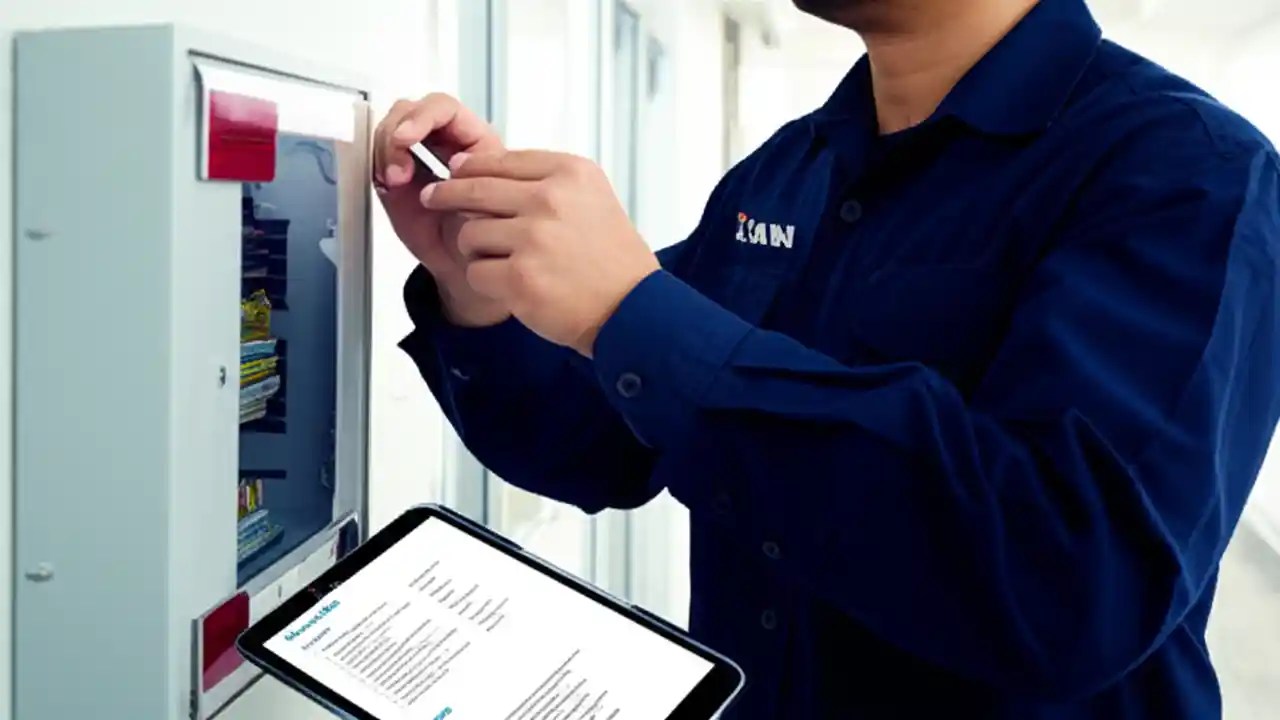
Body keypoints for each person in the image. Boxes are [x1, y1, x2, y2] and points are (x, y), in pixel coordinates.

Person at [373, 0, 1280, 716]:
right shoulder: (789, 170)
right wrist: (482, 293)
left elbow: (1076, 583)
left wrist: (630, 312)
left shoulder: (1186, 172)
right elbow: (601, 443)